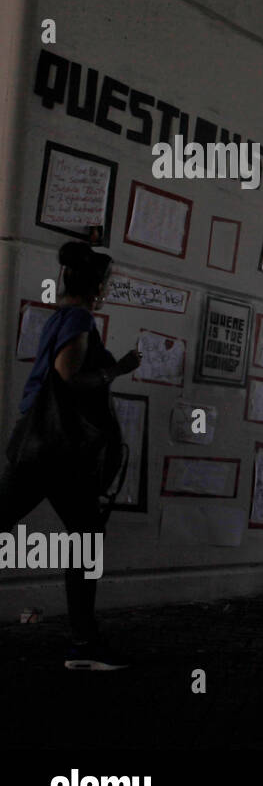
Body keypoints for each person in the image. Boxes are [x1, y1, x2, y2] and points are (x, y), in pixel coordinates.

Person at [1, 242, 141, 670]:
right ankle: (84, 646)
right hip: (59, 454)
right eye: (106, 284)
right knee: (84, 543)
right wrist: (118, 369)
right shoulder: (79, 317)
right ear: (97, 286)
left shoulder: (58, 316)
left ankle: (85, 643)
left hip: (38, 446)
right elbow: (68, 379)